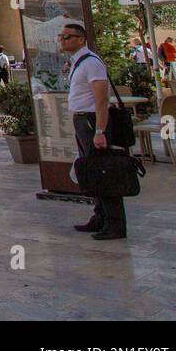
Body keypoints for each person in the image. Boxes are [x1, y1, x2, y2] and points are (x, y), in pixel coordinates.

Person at [63, 23, 126, 241]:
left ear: (81, 39)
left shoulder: (92, 63)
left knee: (104, 172)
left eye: (67, 37)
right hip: (81, 120)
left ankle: (115, 224)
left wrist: (100, 130)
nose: (62, 41)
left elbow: (101, 100)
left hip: (92, 121)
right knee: (92, 171)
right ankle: (100, 217)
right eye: (61, 37)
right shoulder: (78, 62)